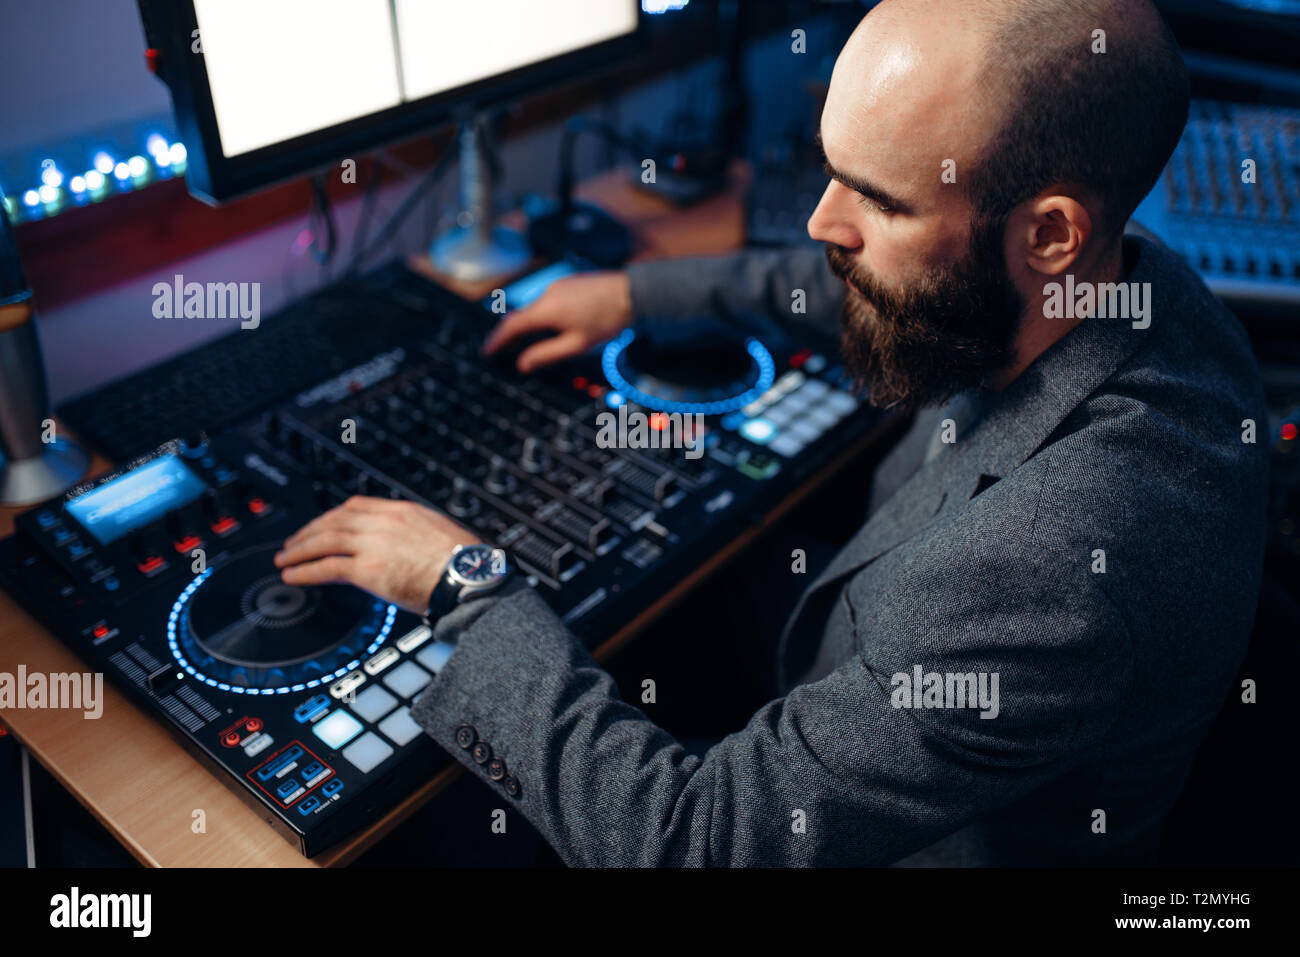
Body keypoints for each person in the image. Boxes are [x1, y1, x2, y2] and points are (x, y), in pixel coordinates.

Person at [274, 0, 1270, 865]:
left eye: (877, 199)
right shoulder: (1124, 283)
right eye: (833, 174)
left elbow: (692, 841)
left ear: (1050, 233)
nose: (823, 225)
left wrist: (470, 591)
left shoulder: (1055, 564)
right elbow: (878, 284)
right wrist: (636, 291)